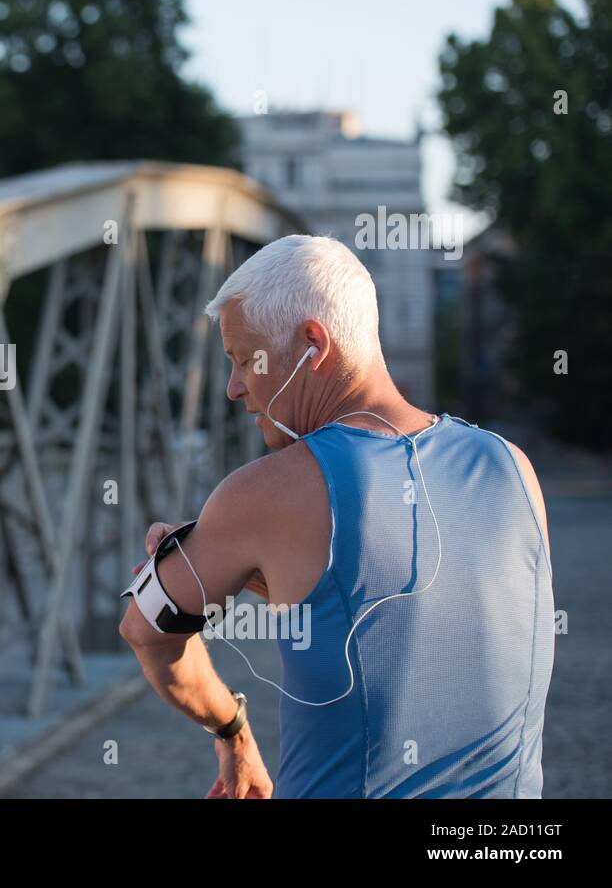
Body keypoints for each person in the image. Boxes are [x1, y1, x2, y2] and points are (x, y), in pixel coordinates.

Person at [119, 234, 554, 798]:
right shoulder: (511, 467)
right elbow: (435, 614)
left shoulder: (269, 492)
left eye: (242, 360)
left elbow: (146, 631)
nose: (233, 388)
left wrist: (233, 729)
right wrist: (292, 580)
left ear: (312, 344)